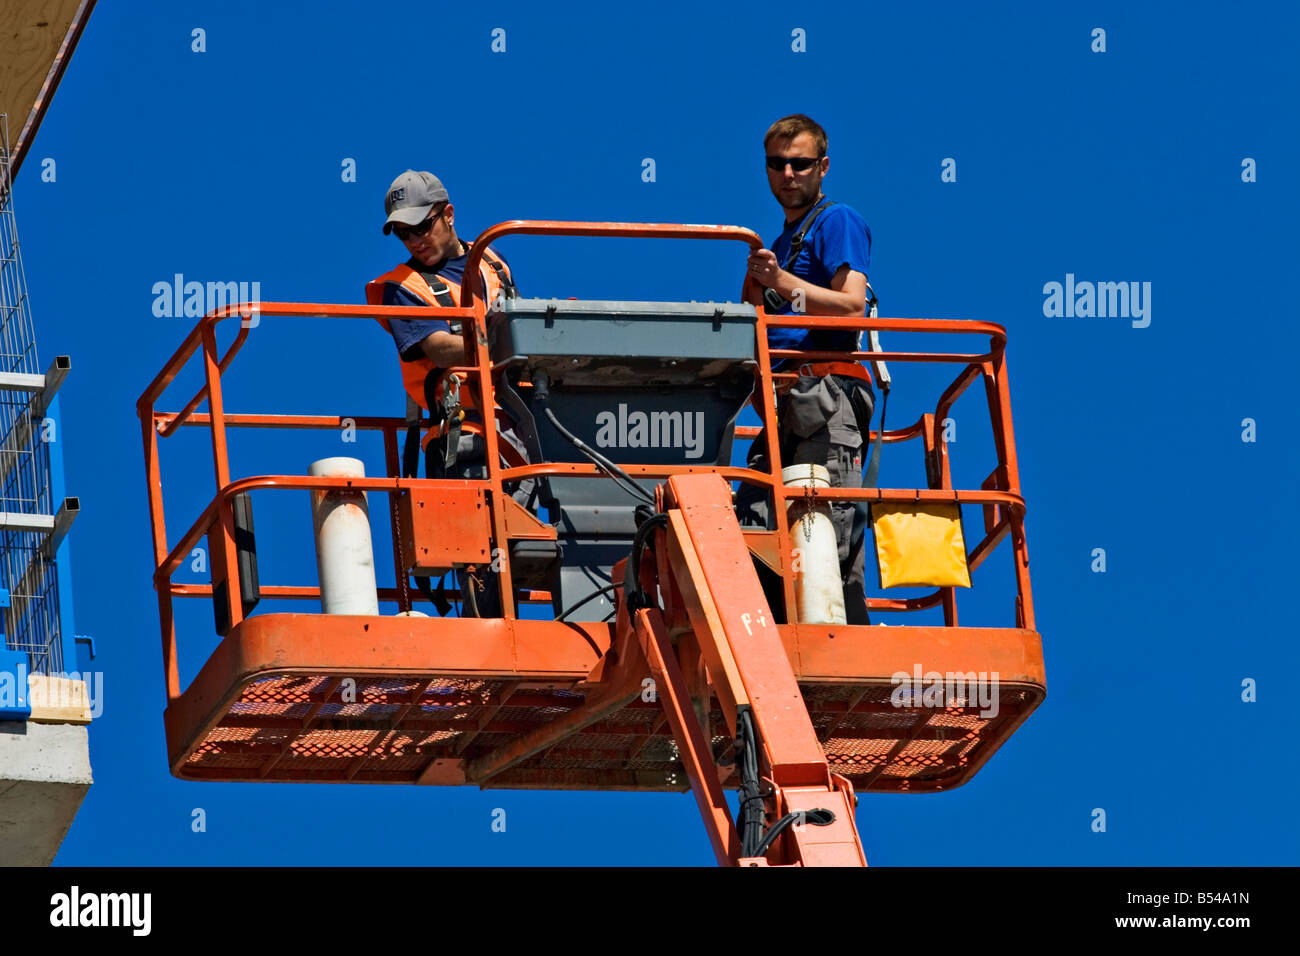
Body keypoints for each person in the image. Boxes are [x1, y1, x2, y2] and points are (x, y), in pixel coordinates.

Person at [365, 169, 523, 616]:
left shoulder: (493, 264)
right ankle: (487, 648)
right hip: (463, 437)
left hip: (521, 429)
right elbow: (440, 350)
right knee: (482, 560)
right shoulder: (403, 289)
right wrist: (514, 346)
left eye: (421, 226)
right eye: (402, 232)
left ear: (448, 215)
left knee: (535, 540)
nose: (413, 239)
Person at [738, 115, 876, 625]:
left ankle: (835, 640)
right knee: (753, 519)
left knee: (824, 525)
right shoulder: (783, 240)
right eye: (777, 164)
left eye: (799, 163)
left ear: (823, 167)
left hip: (824, 394)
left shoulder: (836, 220)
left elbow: (851, 305)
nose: (788, 174)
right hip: (786, 401)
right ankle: (776, 629)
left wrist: (780, 280)